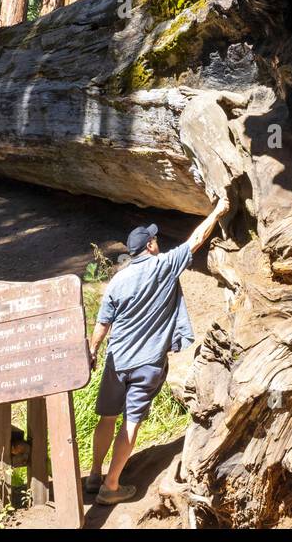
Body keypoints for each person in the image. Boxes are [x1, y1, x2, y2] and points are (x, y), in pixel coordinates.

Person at [85, 195, 229, 505]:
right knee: (131, 422)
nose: (157, 242)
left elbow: (102, 324)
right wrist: (217, 212)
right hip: (147, 363)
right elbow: (196, 240)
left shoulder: (117, 281)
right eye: (155, 239)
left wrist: (94, 351)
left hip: (116, 360)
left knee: (107, 418)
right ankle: (110, 486)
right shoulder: (163, 267)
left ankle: (94, 474)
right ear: (149, 245)